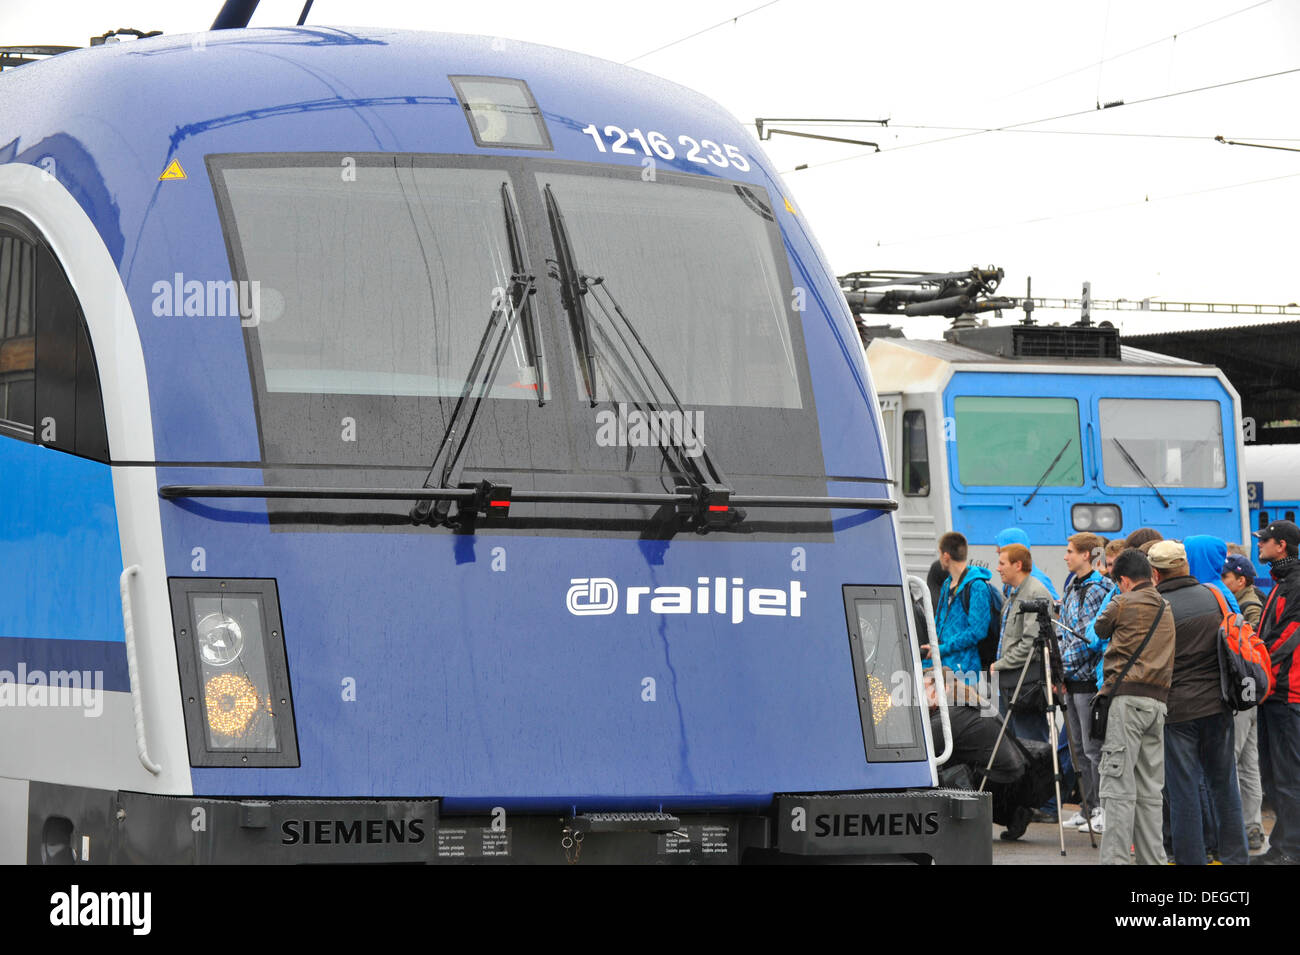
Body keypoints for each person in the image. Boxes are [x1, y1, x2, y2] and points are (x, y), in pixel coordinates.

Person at [1148, 540, 1249, 865]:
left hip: (1176, 711)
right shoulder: (1216, 595)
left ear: (1155, 573)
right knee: (1224, 784)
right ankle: (1236, 857)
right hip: (1218, 704)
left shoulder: (1157, 606)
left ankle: (1192, 859)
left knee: (1183, 790)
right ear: (1185, 566)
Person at [1093, 548, 1176, 865]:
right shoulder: (1165, 606)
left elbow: (1099, 629)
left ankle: (1115, 860)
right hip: (1157, 704)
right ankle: (1152, 860)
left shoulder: (1122, 601)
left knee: (1117, 785)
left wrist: (1116, 596)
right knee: (1149, 790)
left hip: (1126, 700)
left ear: (1124, 580)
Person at [1058, 532, 1116, 834]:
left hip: (1085, 681)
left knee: (1094, 748)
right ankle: (1088, 805)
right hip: (1071, 679)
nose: (1065, 556)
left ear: (1085, 555)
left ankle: (1102, 807)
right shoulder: (1073, 586)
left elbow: (1086, 638)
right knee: (1079, 748)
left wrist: (1062, 667)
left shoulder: (1095, 589)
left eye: (1070, 551)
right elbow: (1065, 632)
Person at [1253, 519, 1300, 865]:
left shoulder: (1293, 584)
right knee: (1278, 776)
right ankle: (1283, 845)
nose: (1260, 545)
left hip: (1287, 693)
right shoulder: (1283, 582)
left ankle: (1289, 850)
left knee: (1288, 778)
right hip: (1279, 693)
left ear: (1281, 545)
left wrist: (1258, 663)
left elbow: (1286, 638)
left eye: (1265, 541)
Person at [990, 543, 1056, 745]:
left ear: (1018, 565)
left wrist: (1000, 664)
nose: (998, 568)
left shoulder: (1035, 593)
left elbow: (1031, 644)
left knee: (1030, 743)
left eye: (1002, 563)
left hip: (1026, 686)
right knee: (1011, 741)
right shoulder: (1015, 593)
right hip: (1011, 681)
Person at [1222, 553, 1266, 851]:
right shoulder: (1255, 599)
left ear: (1241, 580)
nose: (1223, 582)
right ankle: (1253, 827)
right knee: (1249, 765)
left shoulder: (1245, 606)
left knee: (1233, 763)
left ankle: (1240, 827)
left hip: (1240, 692)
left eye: (1226, 577)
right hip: (1253, 694)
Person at [933, 532, 993, 683]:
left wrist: (944, 648)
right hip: (942, 665)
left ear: (946, 556)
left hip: (965, 670)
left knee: (961, 706)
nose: (940, 558)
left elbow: (977, 631)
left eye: (940, 554)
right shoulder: (947, 584)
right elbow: (939, 622)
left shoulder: (977, 587)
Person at [996, 527, 1059, 599]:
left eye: (1000, 553)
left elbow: (1053, 607)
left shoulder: (1038, 582)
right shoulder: (1010, 584)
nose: (998, 568)